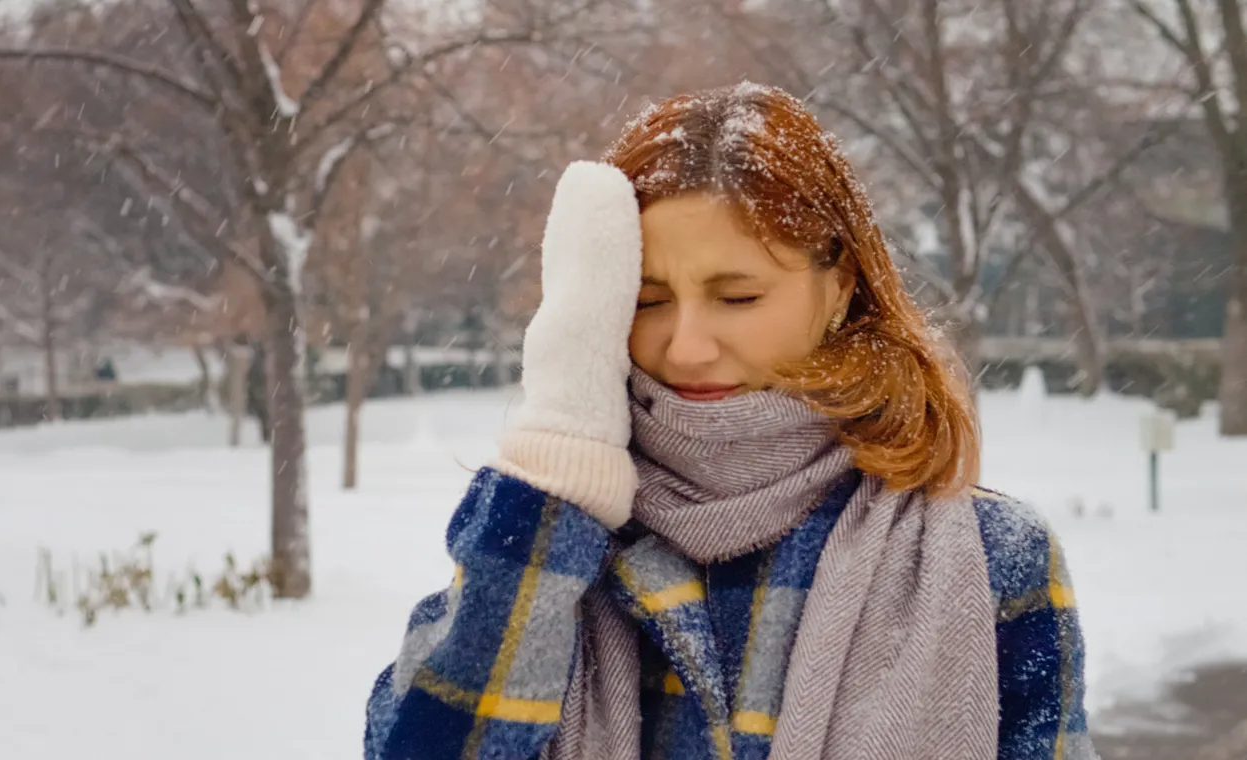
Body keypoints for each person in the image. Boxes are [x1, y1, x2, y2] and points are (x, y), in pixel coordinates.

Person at [364, 83, 1094, 760]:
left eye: (738, 297)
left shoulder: (993, 561)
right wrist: (561, 457)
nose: (687, 346)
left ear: (838, 288)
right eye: (648, 300)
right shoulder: (553, 539)